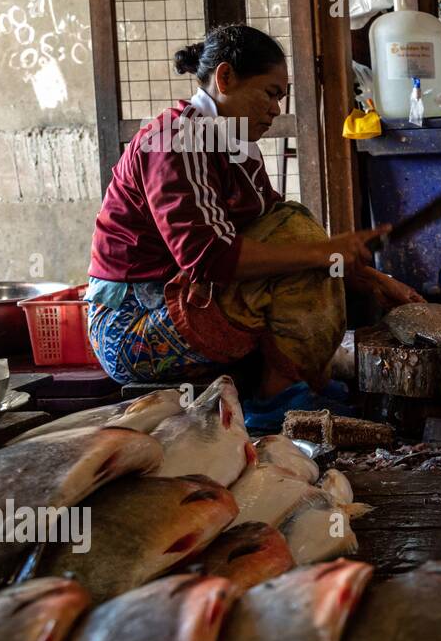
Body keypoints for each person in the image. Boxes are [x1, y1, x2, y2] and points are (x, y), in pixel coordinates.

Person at [86, 23, 422, 427]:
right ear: (225, 77)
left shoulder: (236, 148)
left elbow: (277, 229)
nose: (276, 109)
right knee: (299, 244)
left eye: (281, 98)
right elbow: (208, 258)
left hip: (181, 302)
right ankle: (275, 403)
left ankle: (291, 386)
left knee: (294, 224)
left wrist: (372, 279)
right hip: (129, 329)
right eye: (270, 93)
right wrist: (325, 252)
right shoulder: (176, 139)